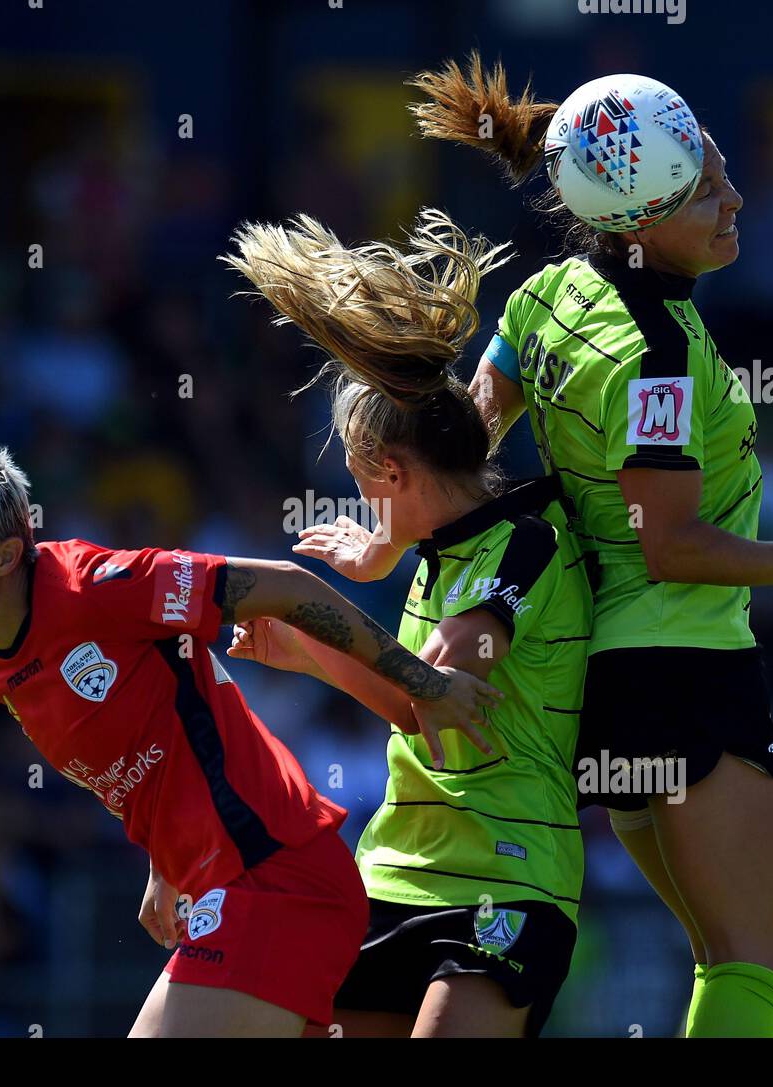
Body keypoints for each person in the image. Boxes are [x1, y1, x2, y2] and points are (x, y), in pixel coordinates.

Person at [305, 55, 773, 1037]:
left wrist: (388, 541)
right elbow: (667, 546)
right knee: (755, 954)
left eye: (717, 171)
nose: (732, 199)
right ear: (635, 218)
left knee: (723, 948)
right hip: (686, 665)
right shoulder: (656, 350)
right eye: (703, 187)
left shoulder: (545, 296)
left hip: (607, 680)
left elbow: (468, 443)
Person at [0, 439, 500, 1037]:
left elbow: (290, 588)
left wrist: (425, 683)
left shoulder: (99, 587)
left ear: (6, 554)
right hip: (232, 887)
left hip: (276, 878)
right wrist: (167, 862)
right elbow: (170, 692)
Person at [223, 208, 593, 1036]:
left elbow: (438, 684)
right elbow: (413, 700)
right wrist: (309, 651)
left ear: (391, 470)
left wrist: (311, 620)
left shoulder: (525, 544)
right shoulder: (437, 556)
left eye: (361, 480)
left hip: (509, 872)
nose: (362, 505)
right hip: (391, 869)